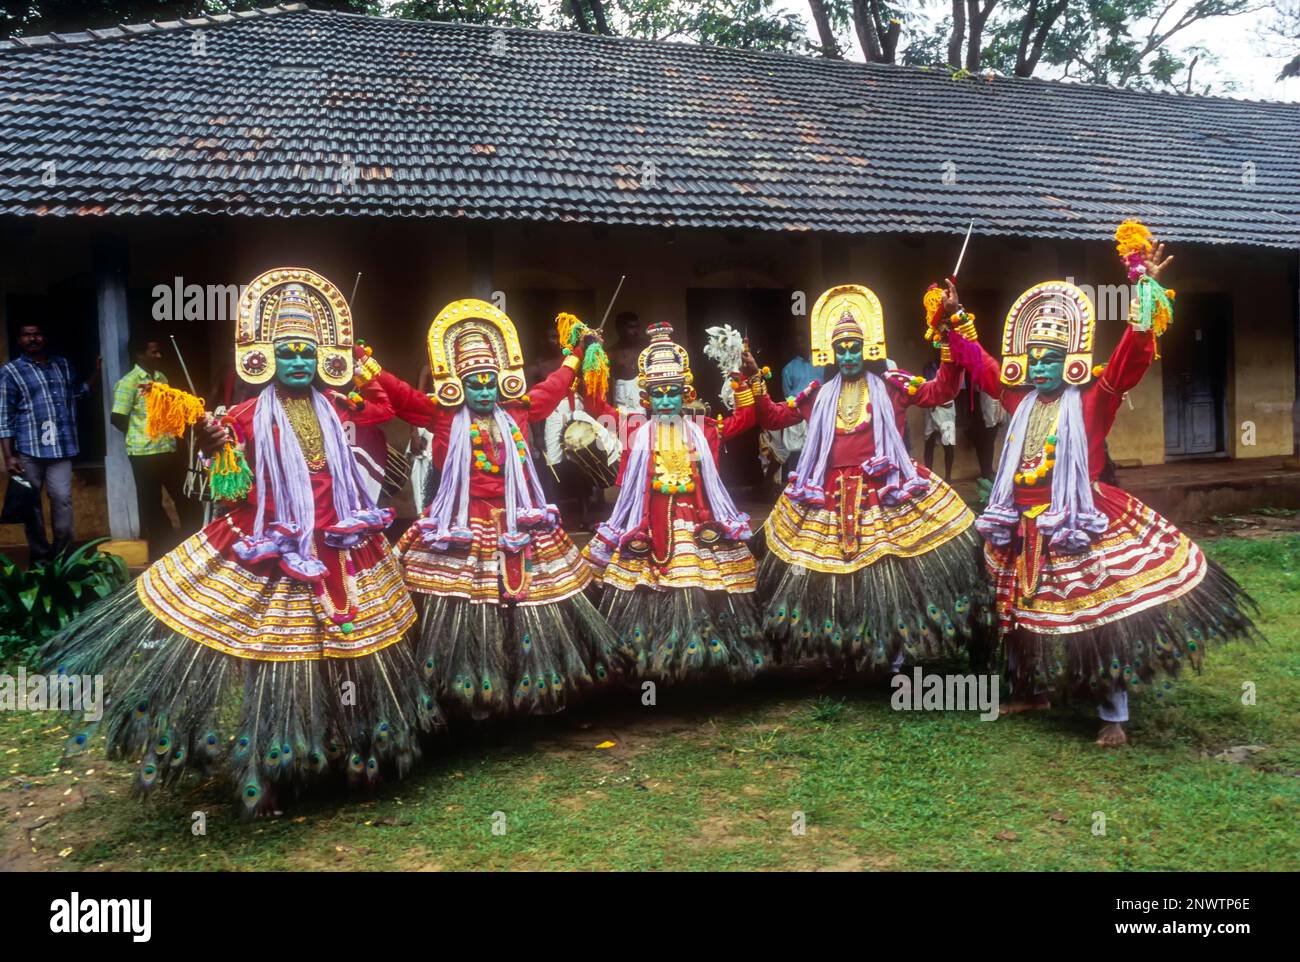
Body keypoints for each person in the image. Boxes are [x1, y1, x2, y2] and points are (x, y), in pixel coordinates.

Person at [44, 270, 437, 816]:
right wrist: (210, 445)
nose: (299, 362)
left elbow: (392, 408)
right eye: (288, 353)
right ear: (266, 358)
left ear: (323, 356)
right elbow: (223, 476)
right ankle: (272, 770)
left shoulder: (342, 407)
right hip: (273, 551)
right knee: (278, 660)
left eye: (308, 352)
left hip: (341, 547)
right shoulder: (244, 416)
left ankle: (359, 751)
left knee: (351, 657)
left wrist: (364, 365)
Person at [945, 224, 1258, 745]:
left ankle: (1113, 712)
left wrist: (1142, 288)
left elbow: (1130, 358)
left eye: (1052, 358)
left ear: (1070, 361)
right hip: (1020, 523)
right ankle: (1030, 689)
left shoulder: (1094, 400)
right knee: (1017, 611)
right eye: (1035, 358)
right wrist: (955, 316)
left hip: (1077, 520)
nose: (1042, 367)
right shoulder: (1018, 401)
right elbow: (981, 366)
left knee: (1098, 613)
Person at [374, 298, 626, 720]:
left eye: (491, 380)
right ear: (459, 384)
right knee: (468, 607)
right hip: (460, 525)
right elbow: (398, 395)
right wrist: (363, 363)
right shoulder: (441, 415)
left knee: (529, 601)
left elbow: (558, 384)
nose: (485, 389)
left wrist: (578, 353)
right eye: (475, 382)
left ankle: (539, 689)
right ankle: (463, 700)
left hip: (519, 519)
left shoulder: (519, 410)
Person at [753, 283, 990, 677]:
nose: (848, 356)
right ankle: (844, 650)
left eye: (854, 347)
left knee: (890, 573)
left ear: (867, 348)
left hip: (887, 490)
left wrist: (950, 331)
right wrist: (752, 383)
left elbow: (942, 390)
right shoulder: (817, 394)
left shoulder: (893, 386)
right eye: (841, 348)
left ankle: (894, 655)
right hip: (828, 495)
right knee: (835, 575)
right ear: (831, 352)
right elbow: (774, 417)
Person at [580, 322, 769, 682]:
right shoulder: (633, 427)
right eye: (659, 394)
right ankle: (649, 665)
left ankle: (708, 666)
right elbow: (594, 405)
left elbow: (745, 418)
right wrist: (590, 354)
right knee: (649, 586)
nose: (666, 400)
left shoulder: (704, 427)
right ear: (647, 398)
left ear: (684, 395)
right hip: (647, 522)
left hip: (699, 520)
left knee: (701, 584)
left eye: (673, 393)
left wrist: (741, 374)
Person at [0, 323, 99, 563]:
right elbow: (5, 415)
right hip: (28, 450)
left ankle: (64, 557)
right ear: (19, 340)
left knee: (62, 500)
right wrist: (8, 456)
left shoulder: (62, 365)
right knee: (31, 505)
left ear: (45, 338)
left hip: (62, 449)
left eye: (37, 334)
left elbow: (76, 393)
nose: (32, 339)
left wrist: (97, 373)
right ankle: (41, 558)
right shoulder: (11, 371)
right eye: (27, 335)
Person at [110, 337, 198, 557]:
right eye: (154, 352)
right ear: (140, 355)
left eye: (159, 352)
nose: (159, 356)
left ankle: (193, 544)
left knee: (186, 496)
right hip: (143, 454)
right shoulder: (128, 382)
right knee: (151, 504)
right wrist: (143, 432)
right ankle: (163, 550)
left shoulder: (161, 378)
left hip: (168, 449)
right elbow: (117, 417)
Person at [776, 328, 822, 485]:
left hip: (818, 414)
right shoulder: (788, 368)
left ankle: (817, 485)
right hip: (797, 416)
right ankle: (795, 487)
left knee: (818, 449)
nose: (800, 344)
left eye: (802, 340)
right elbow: (787, 394)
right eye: (797, 341)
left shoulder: (821, 364)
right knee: (796, 453)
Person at [921, 358, 957, 480]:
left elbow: (957, 389)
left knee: (948, 444)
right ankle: (928, 477)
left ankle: (948, 478)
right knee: (929, 442)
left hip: (946, 407)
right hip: (931, 406)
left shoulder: (954, 367)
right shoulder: (928, 366)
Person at [609, 310, 648, 414]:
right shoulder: (611, 353)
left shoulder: (647, 348)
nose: (635, 331)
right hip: (622, 404)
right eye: (631, 327)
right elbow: (607, 386)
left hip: (645, 402)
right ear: (620, 329)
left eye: (637, 327)